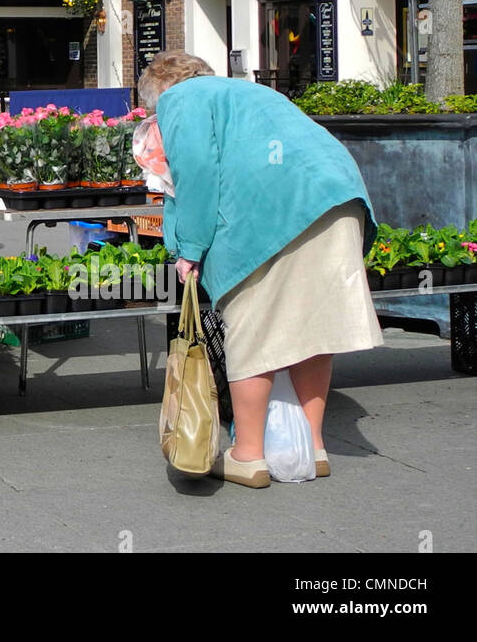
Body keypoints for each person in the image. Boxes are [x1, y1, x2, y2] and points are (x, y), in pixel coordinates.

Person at [136, 51, 382, 488]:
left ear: (157, 93)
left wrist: (189, 249)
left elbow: (195, 173)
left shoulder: (180, 100)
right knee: (314, 328)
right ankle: (312, 447)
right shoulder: (247, 92)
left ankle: (249, 455)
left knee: (253, 328)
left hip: (273, 212)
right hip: (338, 198)